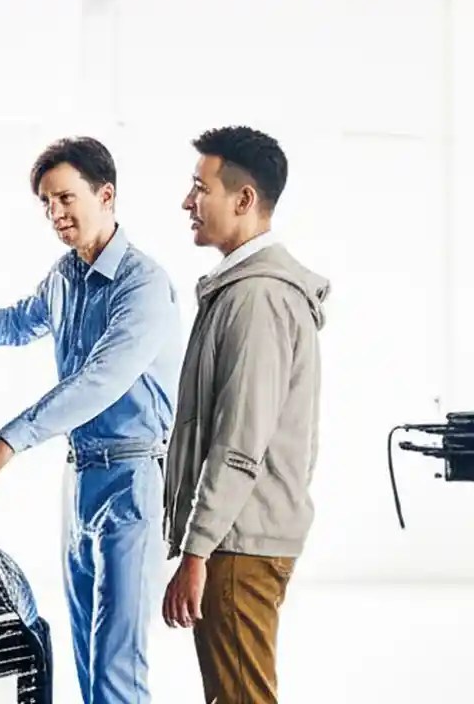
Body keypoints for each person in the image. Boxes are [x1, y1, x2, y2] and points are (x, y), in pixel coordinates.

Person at [0, 136, 181, 704]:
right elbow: (20, 322)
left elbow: (100, 379)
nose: (56, 214)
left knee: (116, 665)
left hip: (134, 480)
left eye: (66, 198)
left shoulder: (142, 285)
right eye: (47, 203)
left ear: (107, 194)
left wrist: (7, 442)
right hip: (80, 479)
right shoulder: (65, 276)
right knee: (82, 651)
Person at [161, 125, 329, 704]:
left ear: (244, 199)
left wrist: (197, 549)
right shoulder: (241, 291)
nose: (187, 202)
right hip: (240, 536)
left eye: (198, 187)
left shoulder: (257, 299)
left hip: (238, 541)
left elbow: (240, 443)